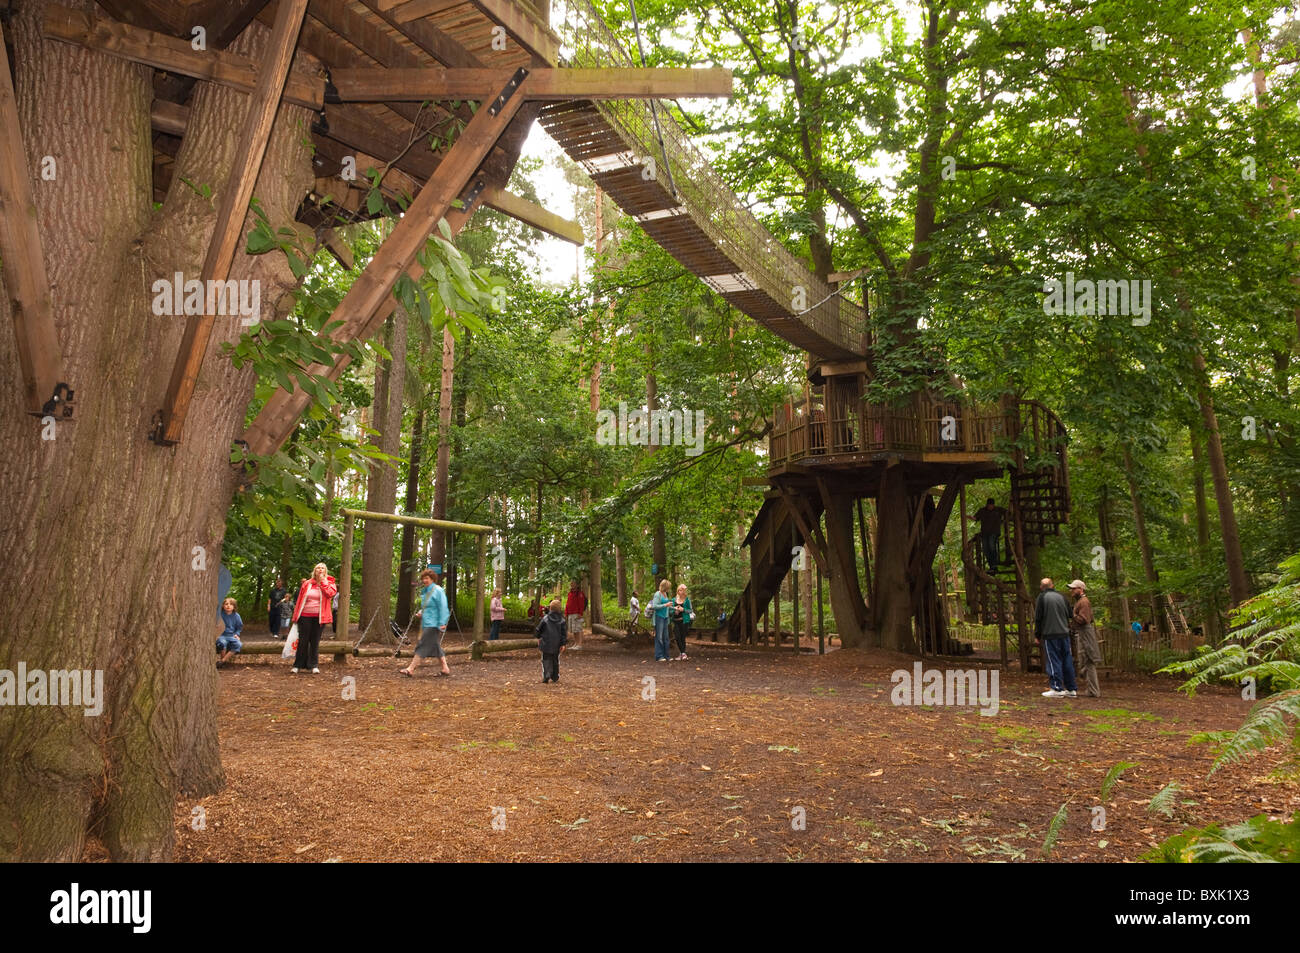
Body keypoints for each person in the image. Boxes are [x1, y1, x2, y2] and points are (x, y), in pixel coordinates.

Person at [399, 569, 451, 677]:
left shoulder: (438, 590)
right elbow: (427, 607)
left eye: (427, 578)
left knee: (422, 644)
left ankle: (410, 669)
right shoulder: (426, 591)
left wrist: (442, 622)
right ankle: (445, 668)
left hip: (434, 623)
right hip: (427, 622)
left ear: (432, 579)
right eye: (423, 578)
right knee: (435, 646)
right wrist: (421, 612)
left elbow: (443, 607)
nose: (424, 580)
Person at [290, 563, 337, 674]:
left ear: (325, 571)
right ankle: (297, 665)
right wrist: (296, 616)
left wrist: (323, 582)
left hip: (320, 617)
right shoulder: (307, 583)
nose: (320, 570)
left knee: (315, 641)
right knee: (303, 641)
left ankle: (313, 665)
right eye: (318, 568)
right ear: (314, 571)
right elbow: (299, 600)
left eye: (322, 568)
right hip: (305, 616)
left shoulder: (330, 583)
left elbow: (330, 594)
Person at [1034, 577, 1076, 698]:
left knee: (1053, 660)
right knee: (1067, 659)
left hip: (1050, 634)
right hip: (1065, 634)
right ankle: (1071, 688)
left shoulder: (1042, 598)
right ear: (1052, 586)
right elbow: (1070, 614)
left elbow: (1038, 618)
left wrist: (1037, 634)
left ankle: (1057, 688)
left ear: (1042, 587)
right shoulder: (1062, 597)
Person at [1068, 579, 1101, 698]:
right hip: (1083, 633)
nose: (1071, 590)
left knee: (1088, 661)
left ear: (1080, 589)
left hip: (1085, 633)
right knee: (1085, 661)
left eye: (1074, 588)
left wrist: (1072, 615)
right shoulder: (1081, 601)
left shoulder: (1084, 602)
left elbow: (1084, 619)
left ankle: (1093, 691)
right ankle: (1092, 690)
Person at [535, 598, 568, 683]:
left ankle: (547, 675)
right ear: (560, 609)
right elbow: (564, 634)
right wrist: (563, 644)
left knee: (546, 659)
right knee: (555, 659)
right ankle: (554, 676)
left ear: (550, 608)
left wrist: (538, 637)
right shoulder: (562, 620)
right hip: (556, 644)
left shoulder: (545, 618)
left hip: (546, 642)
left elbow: (539, 629)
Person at [971, 498, 1008, 572]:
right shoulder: (982, 510)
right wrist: (970, 517)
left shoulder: (998, 509)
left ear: (994, 505)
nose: (990, 507)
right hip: (984, 533)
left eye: (991, 505)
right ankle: (992, 567)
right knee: (985, 550)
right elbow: (975, 518)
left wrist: (1003, 520)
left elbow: (1008, 512)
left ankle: (994, 565)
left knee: (991, 546)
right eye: (989, 505)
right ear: (987, 505)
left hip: (994, 532)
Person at [668, 583, 693, 661]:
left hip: (684, 621)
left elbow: (690, 610)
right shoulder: (673, 599)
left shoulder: (687, 600)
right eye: (679, 590)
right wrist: (674, 611)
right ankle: (683, 653)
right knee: (677, 637)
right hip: (675, 621)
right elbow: (669, 610)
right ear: (677, 591)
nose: (680, 591)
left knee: (682, 638)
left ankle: (682, 654)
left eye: (682, 590)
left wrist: (683, 610)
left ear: (684, 591)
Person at [216, 597, 243, 667]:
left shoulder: (236, 616)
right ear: (223, 606)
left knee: (238, 644)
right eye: (226, 604)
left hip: (231, 635)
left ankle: (222, 661)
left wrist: (237, 634)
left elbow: (239, 627)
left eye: (231, 604)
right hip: (221, 635)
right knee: (222, 643)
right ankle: (222, 663)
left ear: (234, 607)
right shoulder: (220, 615)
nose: (228, 606)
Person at [650, 579, 672, 662]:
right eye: (668, 587)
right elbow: (655, 606)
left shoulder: (665, 594)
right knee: (659, 637)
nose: (669, 588)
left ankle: (666, 656)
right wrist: (666, 604)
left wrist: (672, 607)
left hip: (665, 617)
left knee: (666, 637)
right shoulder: (657, 594)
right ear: (665, 587)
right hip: (659, 617)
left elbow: (666, 606)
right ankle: (659, 656)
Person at [564, 580, 587, 651]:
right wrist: (566, 613)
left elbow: (581, 604)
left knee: (578, 629)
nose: (571, 584)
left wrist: (580, 613)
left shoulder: (579, 593)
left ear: (577, 585)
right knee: (573, 630)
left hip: (576, 614)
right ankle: (575, 644)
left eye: (573, 583)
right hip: (570, 614)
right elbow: (568, 604)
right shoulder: (570, 593)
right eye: (571, 583)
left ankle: (579, 644)